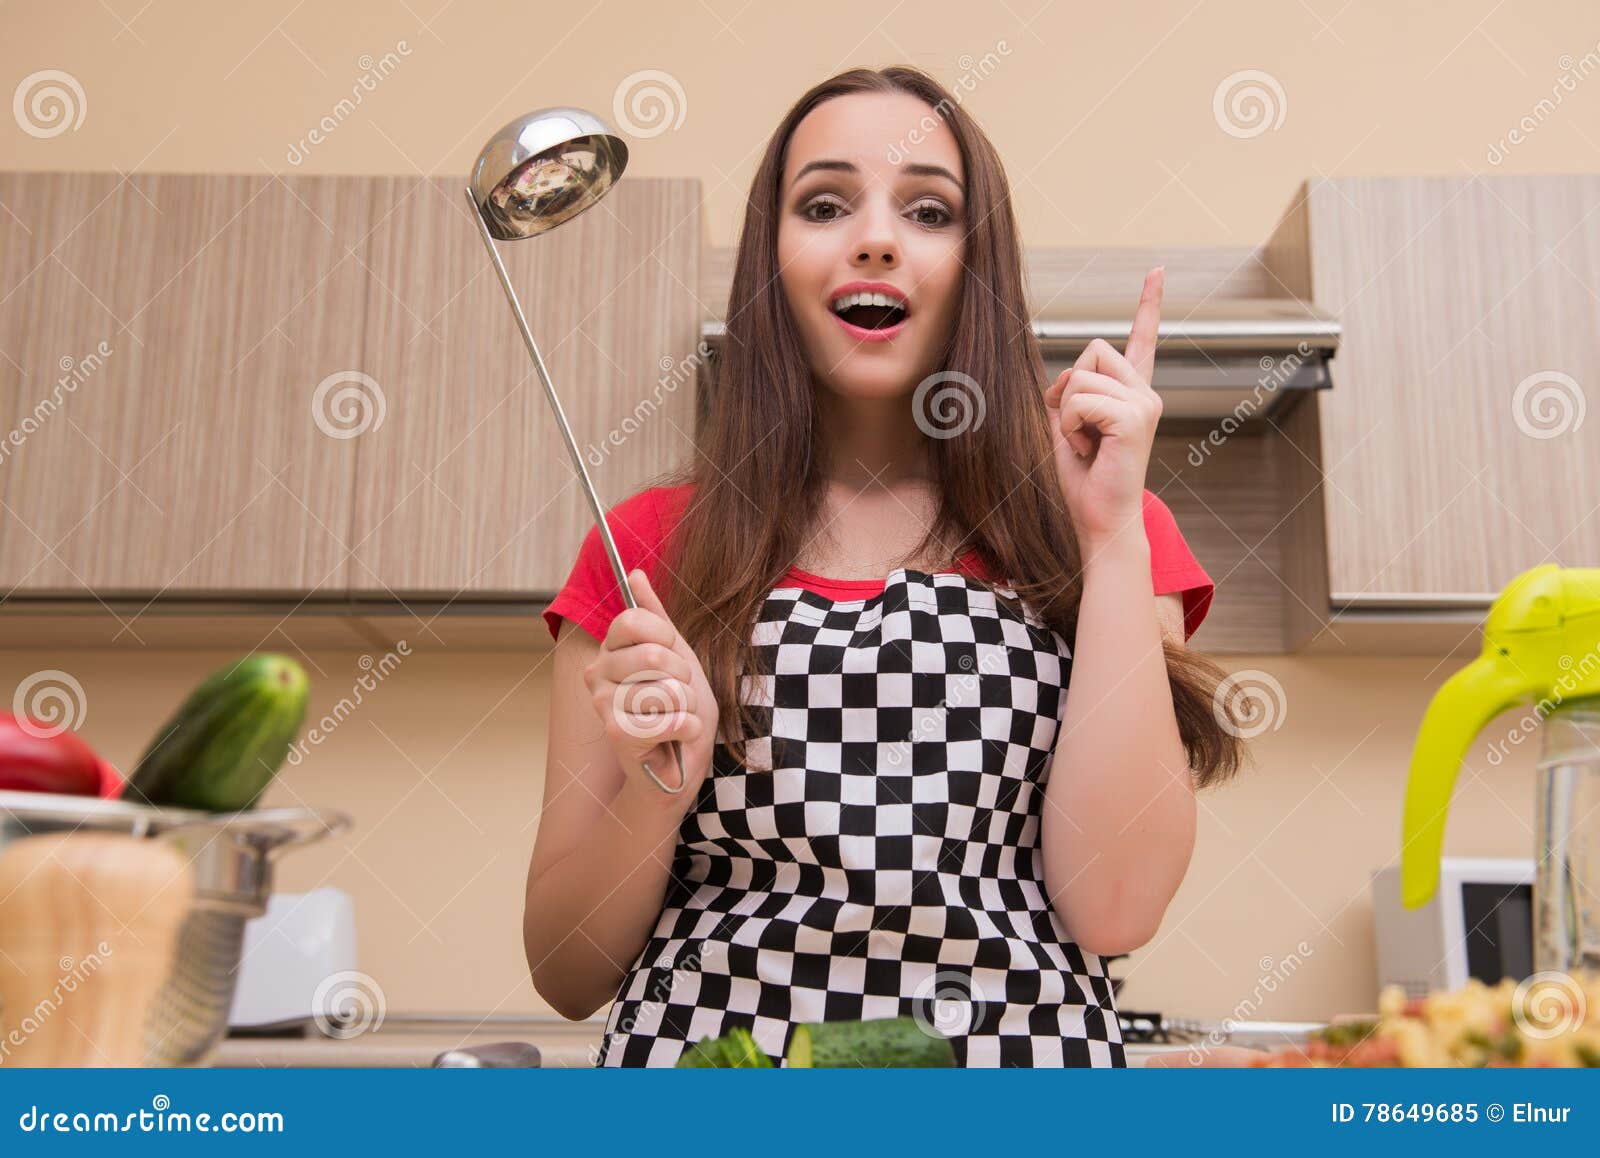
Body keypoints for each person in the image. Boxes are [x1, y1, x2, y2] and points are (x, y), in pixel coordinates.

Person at [525, 64, 1248, 1068]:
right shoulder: (643, 547)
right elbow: (566, 971)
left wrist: (1111, 539)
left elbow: (1116, 906)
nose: (874, 237)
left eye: (928, 210)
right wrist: (655, 787)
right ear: (770, 262)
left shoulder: (1109, 530)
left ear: (977, 265)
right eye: (824, 205)